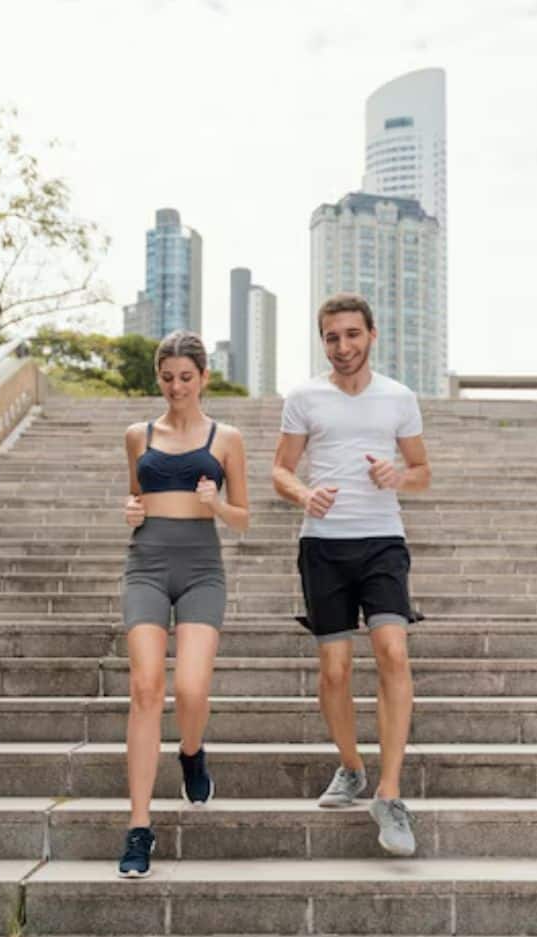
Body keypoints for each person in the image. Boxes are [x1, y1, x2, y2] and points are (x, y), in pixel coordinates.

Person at [272, 293, 431, 857]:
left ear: (372, 335)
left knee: (392, 650)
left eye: (352, 335)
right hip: (323, 547)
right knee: (335, 669)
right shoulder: (304, 397)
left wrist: (399, 475)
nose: (343, 347)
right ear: (324, 342)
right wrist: (304, 492)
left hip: (383, 542)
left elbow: (423, 470)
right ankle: (351, 766)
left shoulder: (399, 398)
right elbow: (280, 470)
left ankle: (388, 795)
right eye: (332, 337)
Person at [118, 330, 249, 877]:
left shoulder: (227, 438)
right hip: (146, 565)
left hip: (201, 569)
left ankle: (191, 753)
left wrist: (215, 503)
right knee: (147, 687)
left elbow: (244, 516)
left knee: (192, 688)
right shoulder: (137, 434)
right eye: (168, 378)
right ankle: (139, 828)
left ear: (204, 378)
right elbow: (135, 494)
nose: (176, 387)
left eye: (186, 378)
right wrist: (130, 509)